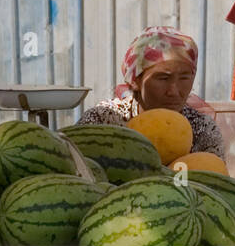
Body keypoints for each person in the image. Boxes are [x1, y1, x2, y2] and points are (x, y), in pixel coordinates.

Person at [78, 26, 224, 157]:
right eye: (163, 78)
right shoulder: (103, 120)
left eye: (184, 78)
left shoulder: (202, 128)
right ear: (135, 80)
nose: (173, 91)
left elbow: (215, 182)